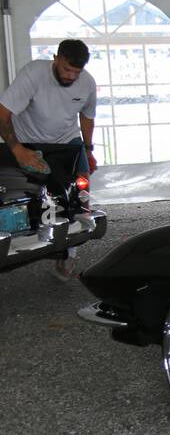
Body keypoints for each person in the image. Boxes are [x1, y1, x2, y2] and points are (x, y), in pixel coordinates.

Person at [0, 39, 98, 279]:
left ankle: (69, 252)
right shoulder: (34, 74)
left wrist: (87, 149)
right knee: (32, 195)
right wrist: (17, 149)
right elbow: (3, 114)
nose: (71, 76)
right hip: (29, 141)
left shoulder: (87, 83)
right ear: (56, 58)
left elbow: (86, 116)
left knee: (78, 193)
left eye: (76, 72)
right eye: (66, 69)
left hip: (68, 141)